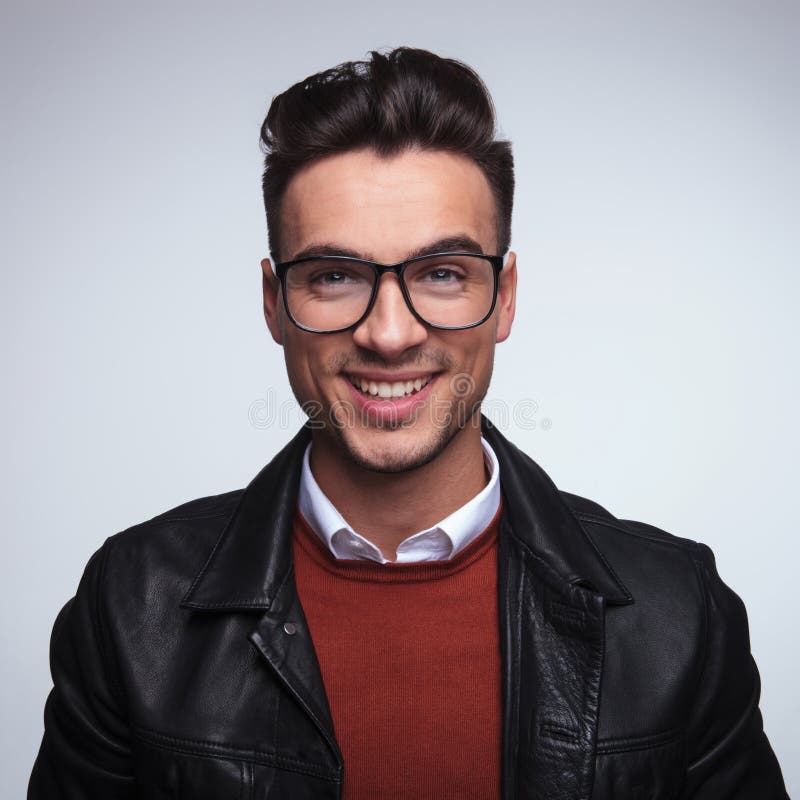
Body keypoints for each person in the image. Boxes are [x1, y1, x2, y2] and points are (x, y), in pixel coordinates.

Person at [28, 47, 787, 800]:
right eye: (334, 276)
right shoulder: (131, 608)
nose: (389, 334)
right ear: (273, 304)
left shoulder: (679, 615)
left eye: (443, 274)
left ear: (507, 296)